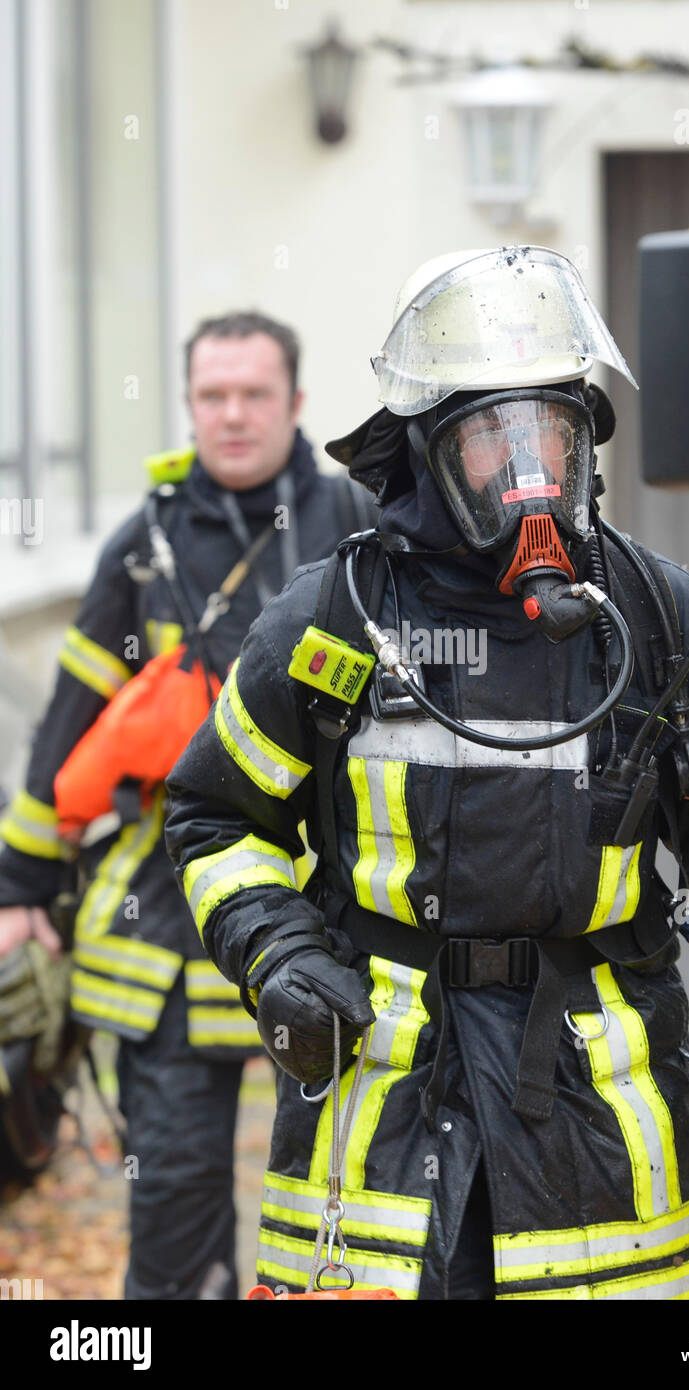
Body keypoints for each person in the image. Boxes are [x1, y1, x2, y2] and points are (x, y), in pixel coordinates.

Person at [164, 250, 689, 1301]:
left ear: (584, 444)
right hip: (381, 1130)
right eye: (490, 436)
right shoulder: (333, 620)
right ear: (426, 451)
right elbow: (215, 816)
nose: (526, 471)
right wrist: (277, 951)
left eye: (550, 433)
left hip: (598, 1145)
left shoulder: (661, 623)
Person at [0, 309, 374, 1299]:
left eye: (255, 394)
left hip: (339, 913)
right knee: (171, 1188)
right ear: (188, 405)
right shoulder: (144, 542)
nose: (233, 414)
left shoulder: (358, 525)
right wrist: (20, 884)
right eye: (213, 395)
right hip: (168, 918)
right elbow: (72, 717)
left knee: (359, 1194)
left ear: (294, 403)